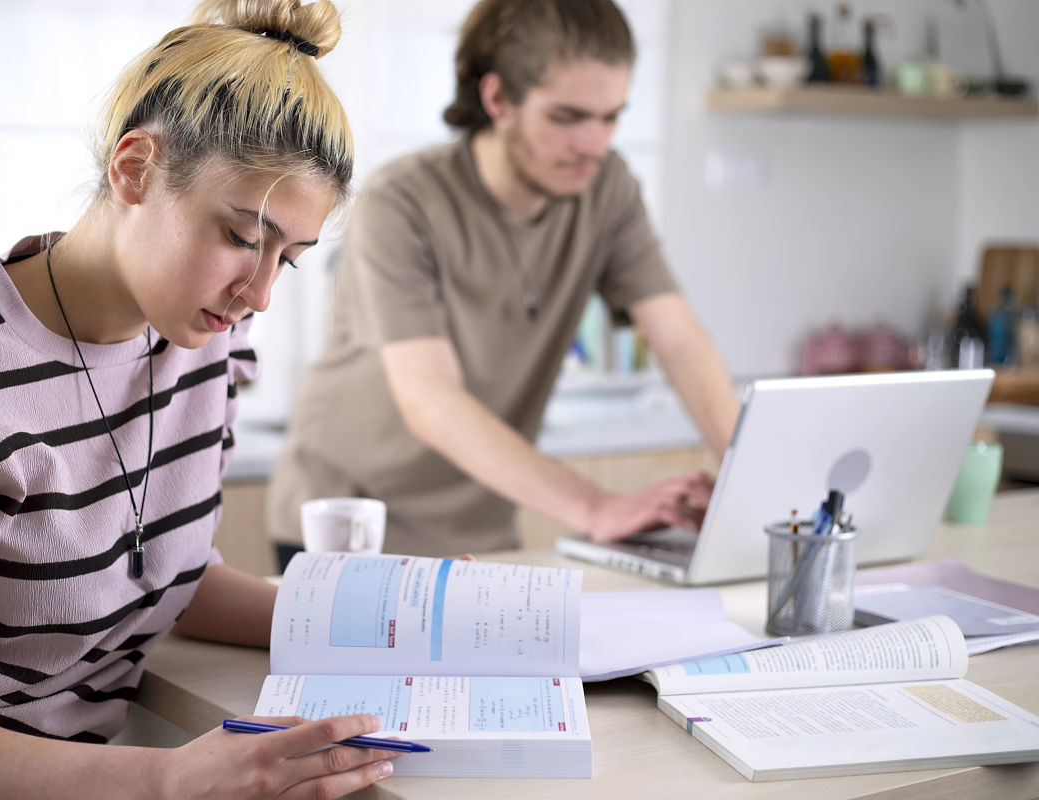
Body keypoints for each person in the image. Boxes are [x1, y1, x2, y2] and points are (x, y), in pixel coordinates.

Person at [0, 2, 400, 797]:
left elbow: (163, 575)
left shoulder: (207, 342)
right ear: (134, 167)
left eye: (291, 259)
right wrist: (169, 781)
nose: (261, 293)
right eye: (243, 237)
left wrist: (387, 624)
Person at [268, 0, 740, 563]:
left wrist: (754, 484)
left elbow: (681, 342)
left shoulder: (607, 189)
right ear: (497, 100)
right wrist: (595, 508)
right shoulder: (402, 200)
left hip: (478, 535)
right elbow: (431, 399)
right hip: (348, 524)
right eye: (568, 118)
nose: (593, 144)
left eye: (610, 117)